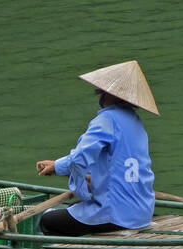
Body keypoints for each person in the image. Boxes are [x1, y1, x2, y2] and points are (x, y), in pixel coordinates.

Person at [35, 60, 157, 236]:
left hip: (115, 214)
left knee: (48, 221)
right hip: (142, 212)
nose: (99, 96)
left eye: (101, 92)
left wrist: (63, 174)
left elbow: (79, 159)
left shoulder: (106, 120)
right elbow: (111, 166)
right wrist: (57, 165)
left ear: (109, 95)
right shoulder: (136, 123)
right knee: (72, 209)